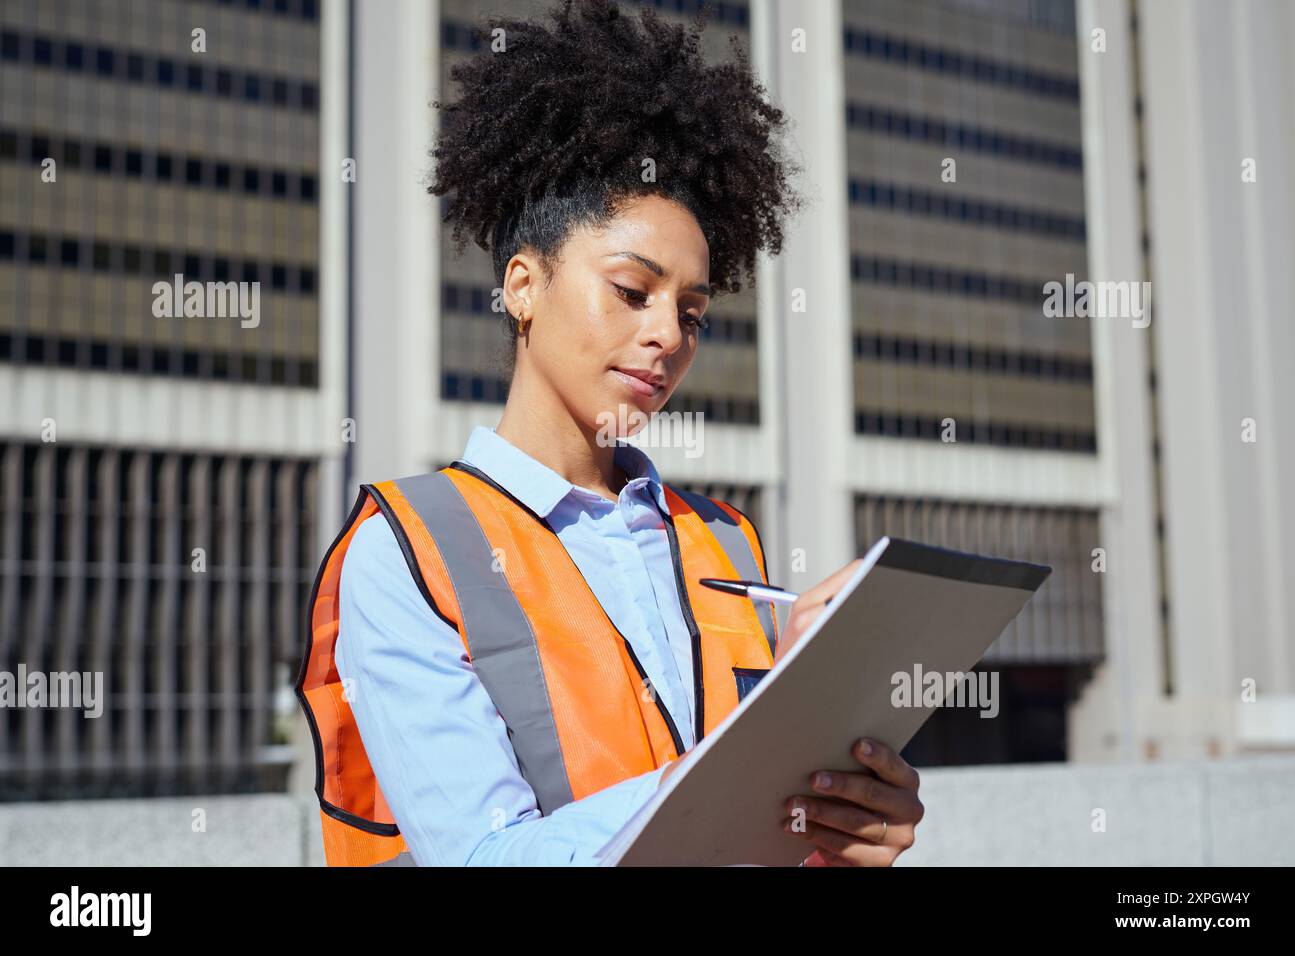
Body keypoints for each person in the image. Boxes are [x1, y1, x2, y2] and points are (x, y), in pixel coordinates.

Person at [296, 0, 923, 867]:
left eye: (693, 313)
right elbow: (483, 859)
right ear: (522, 285)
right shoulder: (403, 554)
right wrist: (733, 777)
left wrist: (845, 822)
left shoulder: (727, 545)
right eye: (633, 291)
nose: (669, 335)